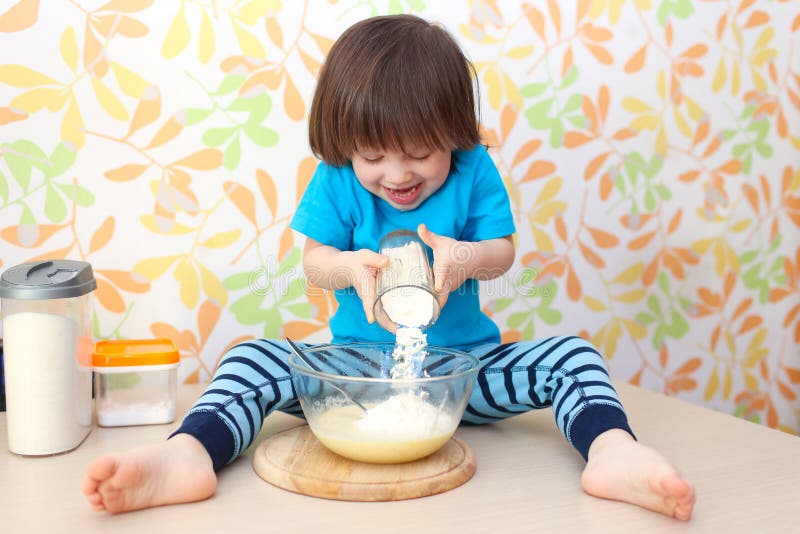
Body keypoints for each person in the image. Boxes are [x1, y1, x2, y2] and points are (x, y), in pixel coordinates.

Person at [83, 14, 695, 519]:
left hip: (462, 375)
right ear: (345, 144)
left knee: (574, 356)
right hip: (355, 374)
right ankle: (189, 454)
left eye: (420, 153)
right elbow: (314, 262)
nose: (397, 175)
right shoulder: (338, 179)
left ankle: (612, 450)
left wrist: (466, 258)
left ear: (453, 134)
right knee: (251, 358)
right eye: (373, 156)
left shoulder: (473, 168)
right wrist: (349, 269)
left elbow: (503, 252)